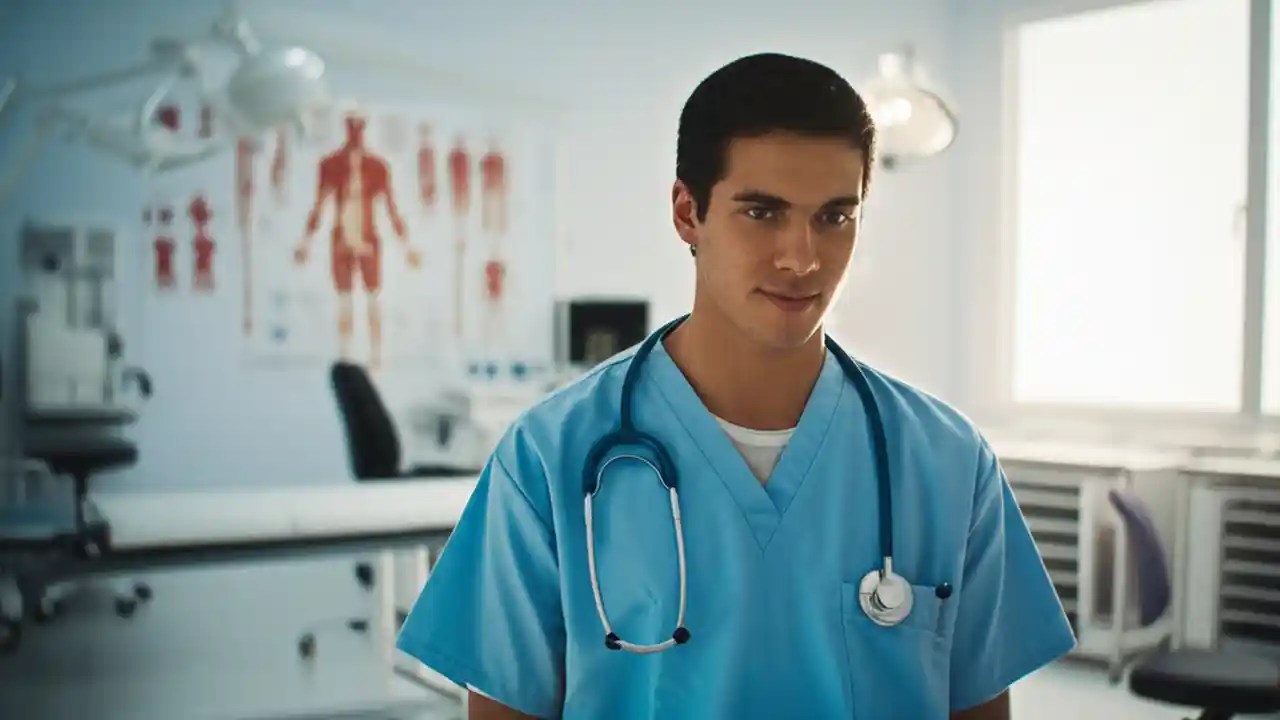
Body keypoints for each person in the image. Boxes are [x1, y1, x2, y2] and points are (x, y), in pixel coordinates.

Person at [396, 53, 1075, 719]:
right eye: (763, 213)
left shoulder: (947, 463)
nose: (802, 257)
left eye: (834, 217)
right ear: (688, 213)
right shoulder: (549, 459)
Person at [294, 110, 422, 369]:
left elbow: (391, 209)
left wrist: (406, 245)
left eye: (358, 128)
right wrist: (305, 242)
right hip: (342, 238)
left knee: (373, 299)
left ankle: (375, 355)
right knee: (344, 300)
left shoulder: (377, 167)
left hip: (368, 239)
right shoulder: (331, 164)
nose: (355, 134)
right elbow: (319, 205)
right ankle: (345, 355)